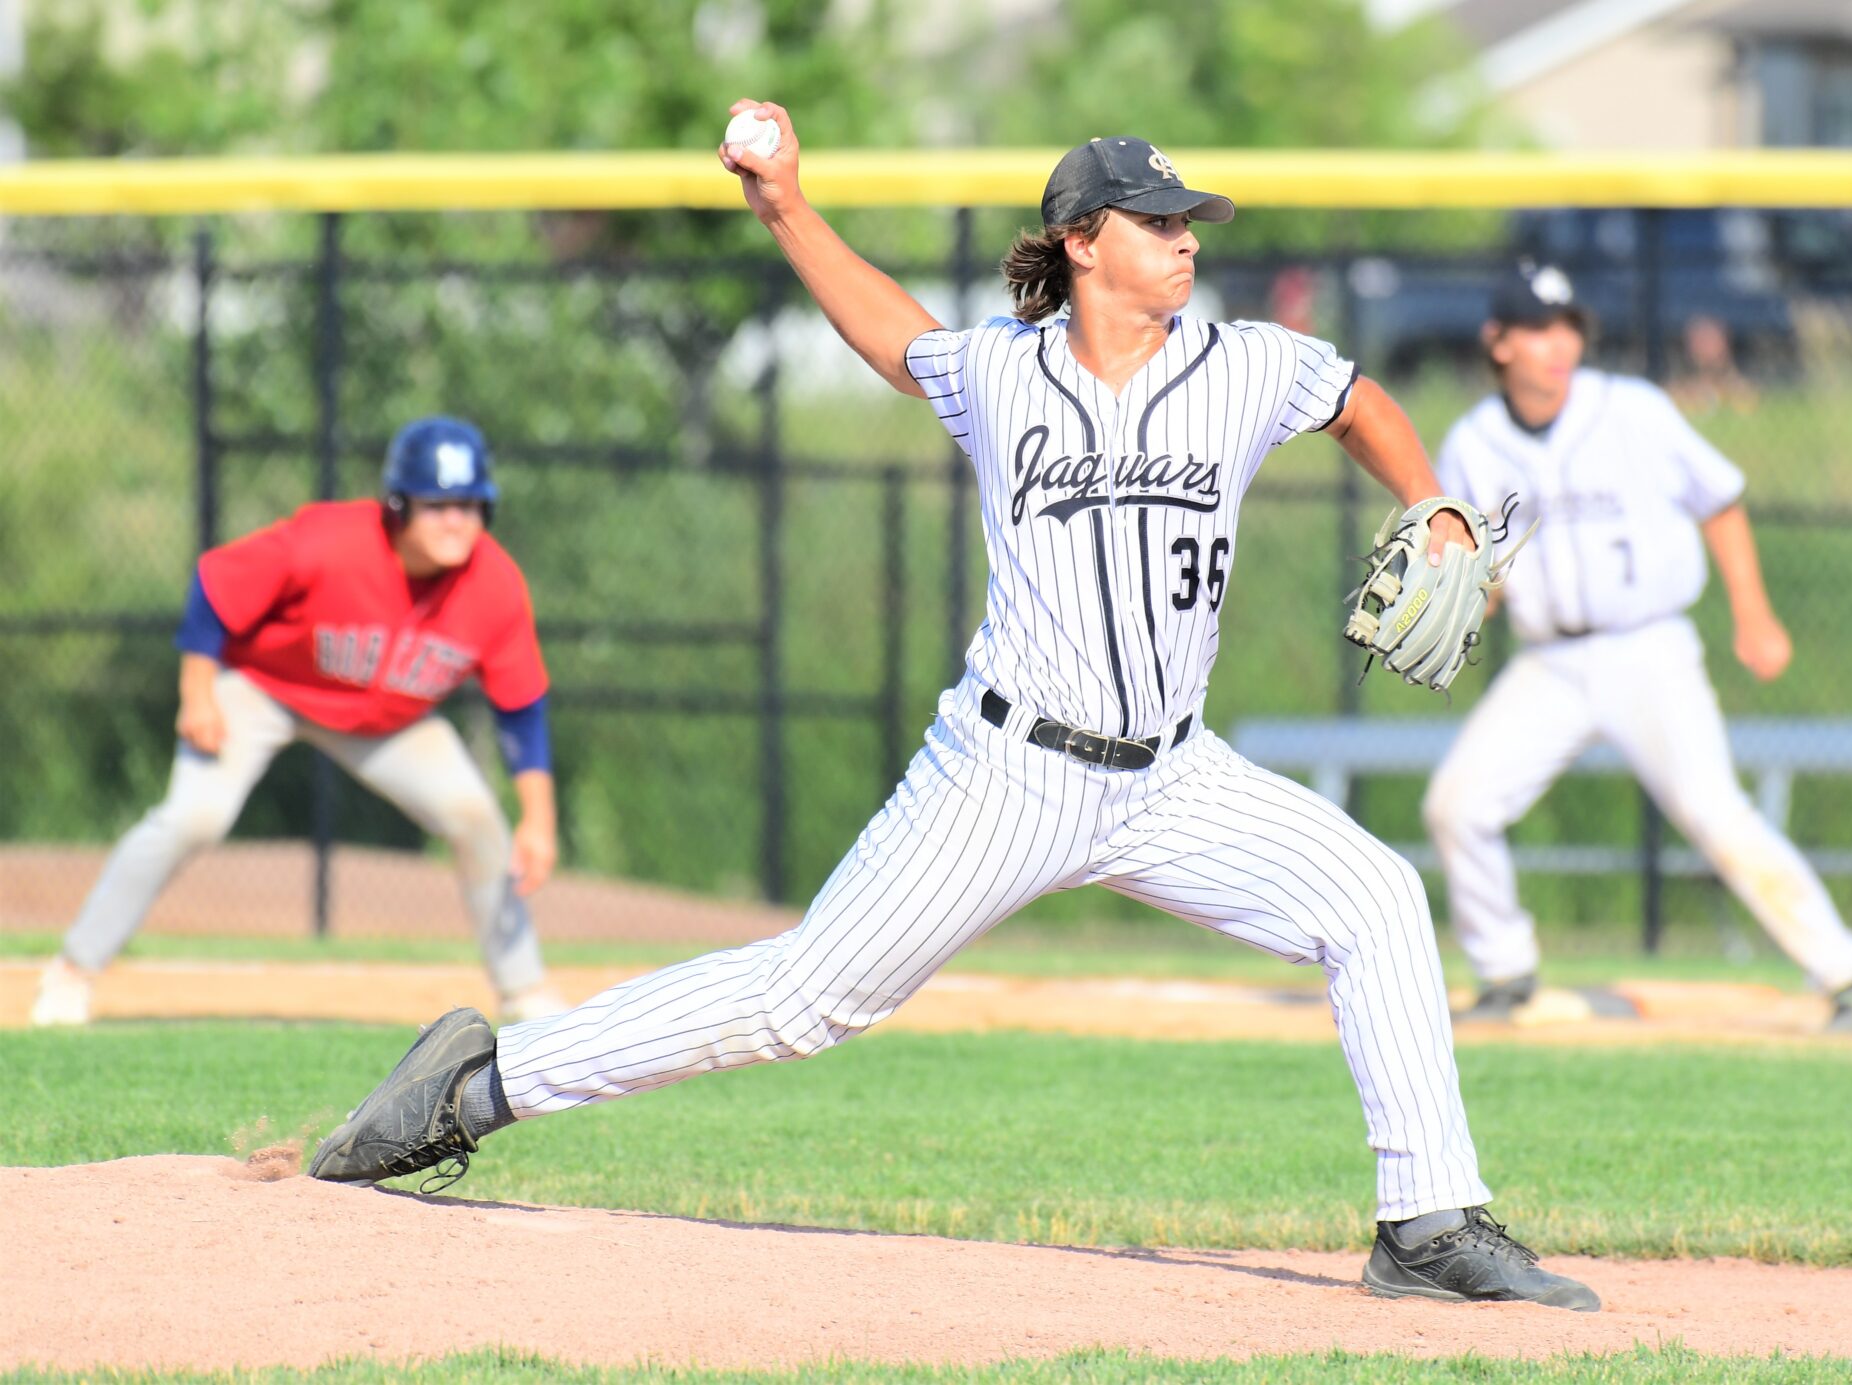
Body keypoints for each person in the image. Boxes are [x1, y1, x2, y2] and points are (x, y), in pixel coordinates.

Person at [308, 105, 1601, 1312]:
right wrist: (784, 205)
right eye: (1158, 220)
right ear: (1083, 242)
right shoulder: (1001, 374)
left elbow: (1360, 401)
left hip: (1173, 779)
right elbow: (891, 335)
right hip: (1006, 772)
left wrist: (1430, 502)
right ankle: (477, 1088)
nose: (1187, 239)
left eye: (1190, 220)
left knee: (1375, 899)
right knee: (799, 1003)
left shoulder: (1246, 364)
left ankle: (1426, 1222)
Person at [1421, 263, 1852, 1034]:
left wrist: (1754, 614)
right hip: (1550, 663)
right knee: (1457, 804)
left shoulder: (1632, 411)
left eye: (1568, 327)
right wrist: (1456, 603)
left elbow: (1721, 499)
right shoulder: (1475, 441)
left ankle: (1851, 976)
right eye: (1538, 329)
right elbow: (1480, 567)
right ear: (1498, 342)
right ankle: (1505, 970)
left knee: (1715, 814)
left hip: (1647, 651)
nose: (1559, 344)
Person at [29, 418, 568, 1027]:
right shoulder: (329, 542)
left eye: (470, 505)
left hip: (387, 721)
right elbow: (216, 585)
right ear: (397, 505)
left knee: (477, 819)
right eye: (437, 505)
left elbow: (520, 706)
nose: (456, 521)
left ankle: (523, 990)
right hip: (266, 690)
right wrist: (198, 692)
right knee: (195, 817)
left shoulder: (494, 585)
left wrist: (540, 818)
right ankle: (72, 970)